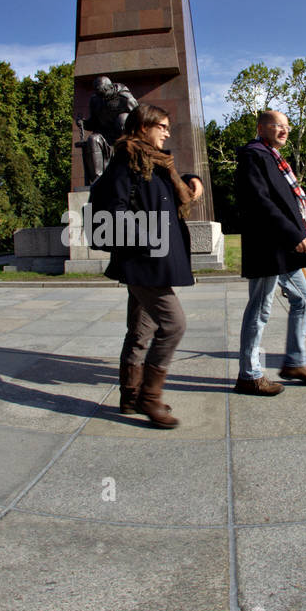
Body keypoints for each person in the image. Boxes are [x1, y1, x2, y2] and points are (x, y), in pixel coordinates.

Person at [91, 102, 203, 429]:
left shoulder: (154, 162)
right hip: (143, 262)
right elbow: (114, 211)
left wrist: (190, 179)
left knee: (142, 331)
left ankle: (130, 396)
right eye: (162, 127)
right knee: (174, 324)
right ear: (143, 127)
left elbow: (164, 194)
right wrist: (149, 243)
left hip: (153, 260)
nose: (168, 132)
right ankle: (150, 397)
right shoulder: (127, 161)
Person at [234, 109, 306, 397]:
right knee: (260, 308)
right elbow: (259, 202)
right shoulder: (254, 156)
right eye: (278, 125)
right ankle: (249, 375)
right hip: (269, 246)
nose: (284, 130)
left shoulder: (275, 159)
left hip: (283, 247)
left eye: (287, 126)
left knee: (303, 299)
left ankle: (294, 363)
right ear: (261, 128)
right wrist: (293, 233)